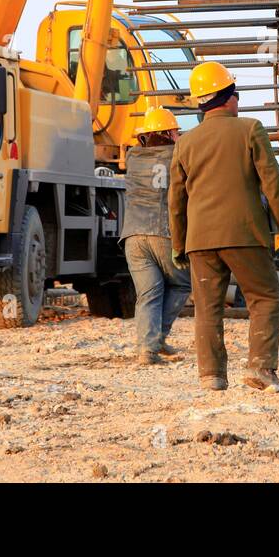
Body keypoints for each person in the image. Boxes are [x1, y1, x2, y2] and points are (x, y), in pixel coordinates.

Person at [169, 62, 279, 393]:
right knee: (265, 297)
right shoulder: (250, 129)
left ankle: (211, 376)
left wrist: (179, 244)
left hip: (199, 241)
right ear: (229, 98)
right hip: (245, 234)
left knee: (207, 308)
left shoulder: (185, 143)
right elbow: (273, 183)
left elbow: (176, 200)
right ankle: (261, 369)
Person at [122, 107, 191, 366]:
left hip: (133, 236)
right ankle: (158, 337)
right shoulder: (179, 155)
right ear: (165, 133)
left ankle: (147, 349)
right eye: (174, 131)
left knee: (149, 292)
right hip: (165, 233)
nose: (178, 135)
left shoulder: (132, 157)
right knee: (181, 283)